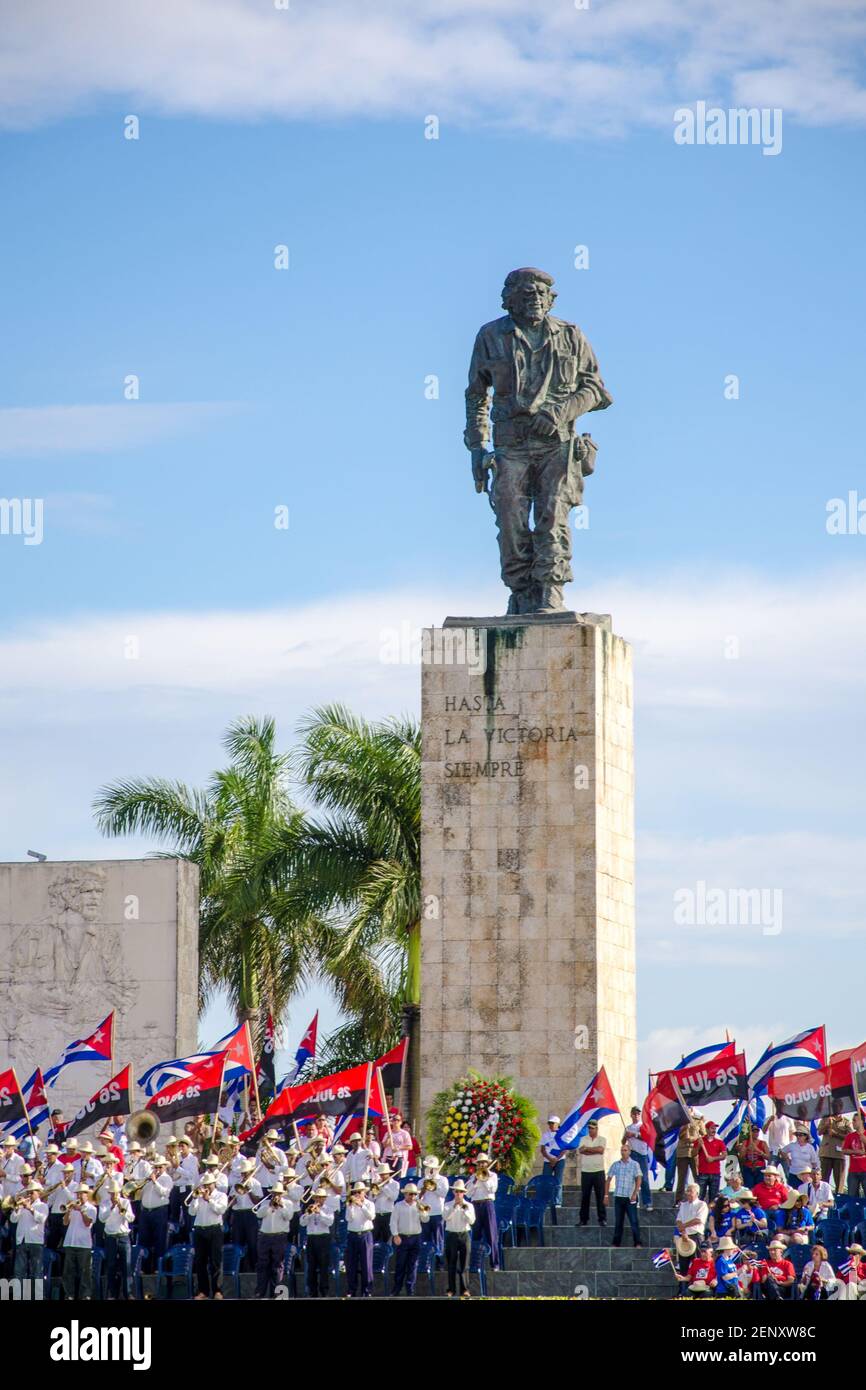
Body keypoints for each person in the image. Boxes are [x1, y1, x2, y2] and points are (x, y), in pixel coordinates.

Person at [464, 266, 612, 615]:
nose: (535, 299)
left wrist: (560, 412)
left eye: (541, 294)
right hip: (510, 444)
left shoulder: (571, 335)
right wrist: (476, 448)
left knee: (552, 516)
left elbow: (597, 390)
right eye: (526, 293)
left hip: (556, 444)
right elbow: (475, 396)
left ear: (551, 299)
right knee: (510, 519)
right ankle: (521, 591)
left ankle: (549, 591)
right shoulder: (490, 336)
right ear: (509, 301)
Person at [190, 1173, 228, 1300]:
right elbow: (191, 1212)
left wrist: (209, 1199)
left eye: (209, 1184)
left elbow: (221, 1210)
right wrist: (196, 1198)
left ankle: (217, 1290)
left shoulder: (221, 1195)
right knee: (200, 1262)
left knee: (216, 1261)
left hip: (215, 1229)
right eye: (204, 1185)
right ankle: (203, 1291)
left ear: (214, 1184)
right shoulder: (199, 1197)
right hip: (200, 1229)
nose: (206, 1187)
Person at [254, 1183, 293, 1299]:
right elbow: (259, 1215)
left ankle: (276, 1293)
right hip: (264, 1236)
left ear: (282, 1194)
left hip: (279, 1236)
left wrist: (281, 1206)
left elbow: (289, 1217)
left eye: (278, 1194)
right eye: (274, 1193)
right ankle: (260, 1292)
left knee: (277, 1266)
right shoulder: (265, 1203)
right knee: (262, 1265)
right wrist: (270, 1206)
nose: (276, 1196)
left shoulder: (288, 1204)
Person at [390, 1182, 428, 1295]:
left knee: (413, 1265)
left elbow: (426, 1220)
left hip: (416, 1238)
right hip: (402, 1238)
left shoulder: (419, 1205)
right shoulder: (398, 1205)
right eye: (410, 1194)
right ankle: (397, 1288)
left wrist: (422, 1211)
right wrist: (395, 1235)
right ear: (405, 1194)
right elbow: (393, 1222)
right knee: (400, 1265)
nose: (412, 1196)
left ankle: (410, 1290)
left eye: (414, 1194)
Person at [100, 1178, 134, 1300]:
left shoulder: (125, 1202)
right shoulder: (104, 1204)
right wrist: (111, 1208)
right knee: (111, 1266)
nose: (115, 1195)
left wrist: (121, 1209)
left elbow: (131, 1218)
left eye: (117, 1193)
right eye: (113, 1193)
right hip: (110, 1237)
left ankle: (128, 1293)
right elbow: (102, 1219)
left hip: (123, 1236)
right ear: (109, 1193)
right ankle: (112, 1293)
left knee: (127, 1266)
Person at [11, 1179, 48, 1291]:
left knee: (36, 1273)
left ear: (38, 1193)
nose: (29, 1194)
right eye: (28, 1192)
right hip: (22, 1240)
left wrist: (31, 1209)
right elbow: (13, 1220)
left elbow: (41, 1219)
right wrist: (17, 1209)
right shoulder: (22, 1206)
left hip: (35, 1241)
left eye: (32, 1192)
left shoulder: (43, 1206)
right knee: (19, 1272)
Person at [62, 1182, 97, 1300]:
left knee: (85, 1271)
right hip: (70, 1242)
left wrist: (81, 1210)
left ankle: (86, 1294)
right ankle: (69, 1294)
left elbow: (88, 1223)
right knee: (68, 1271)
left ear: (87, 1195)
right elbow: (65, 1222)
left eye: (82, 1193)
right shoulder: (73, 1206)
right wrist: (68, 1211)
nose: (80, 1195)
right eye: (78, 1193)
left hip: (84, 1244)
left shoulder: (92, 1208)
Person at [606, 1140, 643, 1248]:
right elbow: (608, 1179)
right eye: (622, 1150)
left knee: (634, 1221)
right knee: (618, 1222)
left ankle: (638, 1242)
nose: (623, 1152)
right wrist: (606, 1195)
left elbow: (638, 1179)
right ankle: (616, 1243)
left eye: (625, 1150)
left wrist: (635, 1193)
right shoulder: (616, 1164)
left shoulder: (634, 1164)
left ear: (629, 1152)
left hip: (630, 1197)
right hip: (618, 1196)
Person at [465, 1154, 499, 1268]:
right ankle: (476, 1264)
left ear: (487, 1163)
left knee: (491, 1235)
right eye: (479, 1163)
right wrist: (475, 1181)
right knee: (476, 1234)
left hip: (487, 1204)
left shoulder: (493, 1175)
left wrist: (484, 1179)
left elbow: (492, 1189)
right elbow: (468, 1193)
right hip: (475, 1205)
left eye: (483, 1162)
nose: (481, 1164)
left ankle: (494, 1264)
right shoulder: (472, 1177)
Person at [443, 1180, 475, 1298]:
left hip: (464, 1234)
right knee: (451, 1263)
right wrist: (454, 1207)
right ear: (453, 1192)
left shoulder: (469, 1206)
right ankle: (451, 1289)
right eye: (456, 1191)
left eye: (461, 1192)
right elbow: (446, 1217)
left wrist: (464, 1209)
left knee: (464, 1264)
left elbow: (472, 1221)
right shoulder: (447, 1205)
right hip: (451, 1235)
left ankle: (465, 1289)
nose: (458, 1194)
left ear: (463, 1193)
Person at [300, 1188, 334, 1298]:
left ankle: (324, 1291)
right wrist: (309, 1214)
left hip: (323, 1238)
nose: (319, 1199)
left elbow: (329, 1222)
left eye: (321, 1197)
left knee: (324, 1266)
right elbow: (302, 1223)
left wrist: (320, 1213)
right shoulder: (309, 1208)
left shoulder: (328, 1209)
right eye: (317, 1197)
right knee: (311, 1267)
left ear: (324, 1199)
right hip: (311, 1239)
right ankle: (312, 1291)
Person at [578, 1119, 607, 1227]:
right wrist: (593, 1150)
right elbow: (581, 1150)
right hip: (586, 1171)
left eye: (592, 1128)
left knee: (600, 1196)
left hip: (599, 1171)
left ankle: (602, 1219)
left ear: (597, 1129)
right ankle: (583, 1219)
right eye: (589, 1128)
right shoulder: (583, 1139)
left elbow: (601, 1150)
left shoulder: (602, 1139)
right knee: (585, 1196)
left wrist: (588, 1149)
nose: (590, 1130)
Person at [624, 1107, 653, 1211]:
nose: (636, 1115)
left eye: (638, 1114)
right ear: (631, 1115)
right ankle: (634, 1200)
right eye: (634, 1114)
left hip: (642, 1154)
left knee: (644, 1178)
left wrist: (634, 1134)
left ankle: (648, 1202)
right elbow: (623, 1142)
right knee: (632, 1178)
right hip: (632, 1154)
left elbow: (647, 1138)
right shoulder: (628, 1127)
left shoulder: (643, 1126)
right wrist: (626, 1136)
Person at [818, 1104, 852, 1191]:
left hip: (839, 1154)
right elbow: (819, 1132)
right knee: (823, 1181)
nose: (836, 1109)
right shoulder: (826, 1118)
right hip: (826, 1153)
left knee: (839, 1182)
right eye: (834, 1107)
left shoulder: (846, 1122)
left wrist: (836, 1134)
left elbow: (850, 1136)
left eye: (838, 1107)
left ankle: (839, 1200)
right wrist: (826, 1125)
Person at [419, 1155, 448, 1256]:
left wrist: (434, 1186)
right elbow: (417, 1198)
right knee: (424, 1239)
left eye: (432, 1168)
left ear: (436, 1169)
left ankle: (439, 1263)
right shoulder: (421, 1181)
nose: (430, 1170)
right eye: (428, 1168)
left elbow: (443, 1194)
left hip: (438, 1213)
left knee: (438, 1239)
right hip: (425, 1213)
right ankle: (425, 1261)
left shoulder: (443, 1180)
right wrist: (423, 1189)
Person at [674, 1114, 705, 1203]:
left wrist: (694, 1139)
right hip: (682, 1152)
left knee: (697, 1176)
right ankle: (679, 1200)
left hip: (694, 1152)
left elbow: (704, 1135)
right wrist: (685, 1126)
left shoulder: (698, 1120)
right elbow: (679, 1135)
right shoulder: (679, 1120)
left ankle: (700, 1198)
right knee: (681, 1178)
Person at [695, 1121, 726, 1204]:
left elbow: (724, 1155)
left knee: (713, 1198)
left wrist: (714, 1158)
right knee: (700, 1197)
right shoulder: (700, 1140)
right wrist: (698, 1145)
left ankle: (712, 1216)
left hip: (715, 1173)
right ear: (707, 1129)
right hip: (703, 1173)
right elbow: (693, 1154)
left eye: (715, 1129)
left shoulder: (719, 1142)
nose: (714, 1130)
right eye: (712, 1128)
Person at [539, 1115, 565, 1211]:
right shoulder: (545, 1135)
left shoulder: (562, 1135)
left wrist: (556, 1159)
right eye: (549, 1123)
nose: (550, 1125)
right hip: (547, 1161)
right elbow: (542, 1150)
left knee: (558, 1181)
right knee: (546, 1181)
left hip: (560, 1160)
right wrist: (550, 1159)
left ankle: (557, 1202)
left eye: (552, 1123)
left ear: (557, 1124)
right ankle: (545, 1201)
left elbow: (565, 1149)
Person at [763, 1105, 795, 1176]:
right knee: (770, 1172)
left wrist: (788, 1147)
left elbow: (792, 1133)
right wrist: (770, 1121)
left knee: (788, 1173)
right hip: (773, 1151)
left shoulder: (788, 1119)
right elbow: (764, 1131)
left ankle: (790, 1186)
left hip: (785, 1151)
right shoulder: (770, 1118)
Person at [372, 1162, 400, 1242]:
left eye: (384, 1174)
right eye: (381, 1174)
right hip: (377, 1214)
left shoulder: (395, 1184)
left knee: (387, 1238)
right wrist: (375, 1192)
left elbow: (394, 1198)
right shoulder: (376, 1183)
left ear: (388, 1174)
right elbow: (372, 1199)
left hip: (388, 1214)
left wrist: (384, 1187)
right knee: (375, 1238)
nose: (382, 1176)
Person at [737, 1124, 770, 1190]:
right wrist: (746, 1149)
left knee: (760, 1188)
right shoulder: (745, 1142)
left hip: (760, 1168)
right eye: (753, 1131)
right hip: (748, 1168)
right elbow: (741, 1157)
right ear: (750, 1133)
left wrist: (758, 1151)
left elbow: (768, 1157)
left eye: (756, 1131)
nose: (755, 1133)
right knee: (749, 1188)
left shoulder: (763, 1143)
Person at [842, 1121, 866, 1197]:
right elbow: (844, 1150)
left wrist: (864, 1140)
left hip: (865, 1170)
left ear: (861, 1121)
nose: (853, 1122)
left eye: (855, 1120)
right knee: (852, 1197)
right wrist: (856, 1151)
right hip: (853, 1171)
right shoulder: (850, 1136)